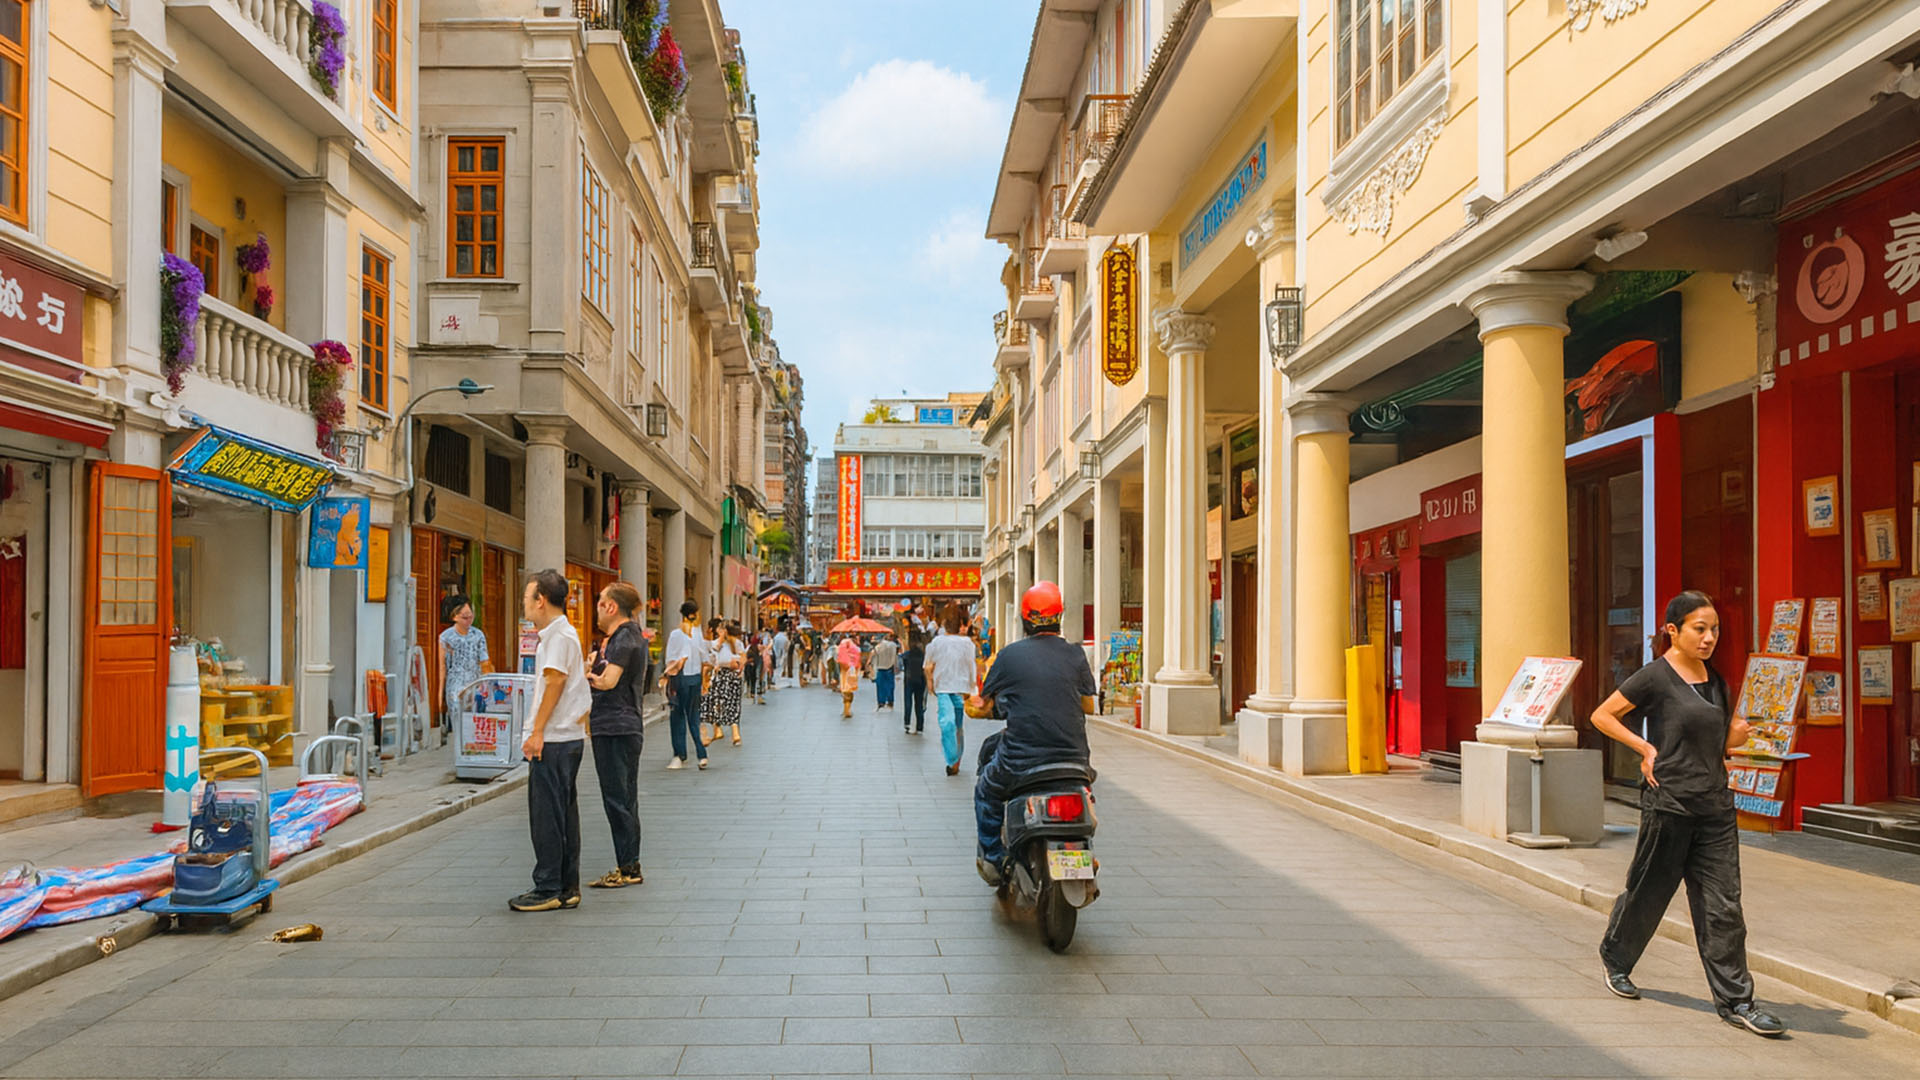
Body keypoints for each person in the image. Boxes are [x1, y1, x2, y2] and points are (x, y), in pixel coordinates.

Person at [1590, 590, 1785, 1038]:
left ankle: (1738, 1002)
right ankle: (1616, 959)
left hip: (1715, 807)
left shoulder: (1716, 681)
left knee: (1724, 907)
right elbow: (1602, 715)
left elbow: (1716, 747)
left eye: (1714, 629)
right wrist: (1644, 747)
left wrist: (1735, 736)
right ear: (1673, 631)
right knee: (1649, 892)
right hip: (1670, 803)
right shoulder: (1655, 677)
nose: (1710, 637)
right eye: (1700, 629)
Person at [971, 581, 1097, 885]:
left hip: (1020, 761)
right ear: (1059, 617)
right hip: (1074, 760)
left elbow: (981, 703)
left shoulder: (1008, 656)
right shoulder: (1076, 654)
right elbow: (1089, 705)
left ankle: (993, 857)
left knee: (986, 790)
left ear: (1025, 620)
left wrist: (981, 705)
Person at [510, 569, 593, 912]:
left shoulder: (558, 637)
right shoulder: (561, 634)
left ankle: (548, 886)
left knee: (547, 815)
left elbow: (555, 683)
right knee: (563, 814)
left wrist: (537, 731)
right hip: (565, 737)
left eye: (527, 598)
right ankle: (566, 885)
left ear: (540, 600)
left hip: (555, 738)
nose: (525, 605)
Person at [584, 581, 646, 890]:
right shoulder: (625, 636)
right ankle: (628, 864)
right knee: (623, 797)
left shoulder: (625, 637)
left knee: (618, 798)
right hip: (619, 725)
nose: (596, 609)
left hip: (616, 726)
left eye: (599, 603)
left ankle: (628, 867)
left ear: (611, 607)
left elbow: (608, 681)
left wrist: (586, 675)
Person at [924, 611, 977, 776]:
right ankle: (953, 758)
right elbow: (972, 666)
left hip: (953, 688)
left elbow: (927, 665)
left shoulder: (937, 643)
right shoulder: (967, 643)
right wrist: (973, 688)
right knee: (952, 724)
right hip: (951, 689)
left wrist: (930, 681)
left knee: (952, 724)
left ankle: (955, 761)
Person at [659, 600, 708, 770]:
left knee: (678, 716)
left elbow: (670, 659)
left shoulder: (677, 634)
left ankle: (679, 754)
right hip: (695, 678)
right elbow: (705, 657)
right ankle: (701, 754)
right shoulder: (697, 633)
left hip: (680, 679)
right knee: (694, 717)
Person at [437, 594, 493, 721]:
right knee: (458, 724)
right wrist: (440, 693)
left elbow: (485, 661)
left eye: (470, 616)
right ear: (454, 617)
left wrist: (488, 685)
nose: (468, 620)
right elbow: (442, 667)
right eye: (464, 617)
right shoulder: (445, 637)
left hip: (475, 685)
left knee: (475, 724)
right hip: (455, 687)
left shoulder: (478, 635)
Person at [703, 619, 746, 746]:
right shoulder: (717, 643)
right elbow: (711, 657)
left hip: (728, 675)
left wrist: (739, 667)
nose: (717, 632)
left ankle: (734, 732)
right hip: (723, 675)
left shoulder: (736, 643)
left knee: (729, 703)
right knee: (718, 702)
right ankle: (719, 729)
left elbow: (742, 657)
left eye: (720, 630)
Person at [900, 629, 928, 736]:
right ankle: (919, 726)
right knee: (919, 704)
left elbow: (902, 663)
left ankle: (907, 723)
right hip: (920, 681)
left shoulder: (907, 654)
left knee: (908, 702)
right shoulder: (923, 655)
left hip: (909, 680)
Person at [871, 631, 900, 711]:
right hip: (889, 668)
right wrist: (896, 666)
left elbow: (875, 658)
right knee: (890, 685)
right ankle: (890, 701)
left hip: (880, 668)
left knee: (880, 686)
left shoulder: (877, 646)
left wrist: (873, 668)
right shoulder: (893, 645)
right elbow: (894, 657)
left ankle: (881, 702)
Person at [835, 633, 861, 719]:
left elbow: (839, 656)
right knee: (849, 690)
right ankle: (847, 710)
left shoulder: (844, 644)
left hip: (845, 669)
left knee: (846, 689)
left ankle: (846, 710)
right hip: (852, 670)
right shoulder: (854, 647)